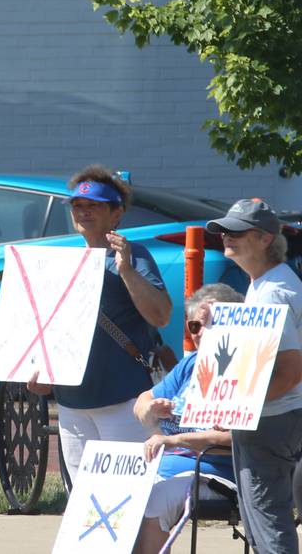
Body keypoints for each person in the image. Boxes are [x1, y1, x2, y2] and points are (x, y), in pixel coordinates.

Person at [28, 165, 172, 478]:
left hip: (124, 401)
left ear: (116, 214)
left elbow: (161, 315)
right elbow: (51, 331)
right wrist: (43, 372)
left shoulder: (135, 257)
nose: (83, 212)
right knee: (84, 501)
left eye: (93, 205)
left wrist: (127, 271)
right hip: (72, 403)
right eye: (77, 206)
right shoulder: (62, 262)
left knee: (127, 496)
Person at [206, 198, 302, 554]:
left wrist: (239, 405)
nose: (226, 237)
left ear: (264, 239)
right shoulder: (266, 282)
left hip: (273, 419)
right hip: (269, 417)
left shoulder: (274, 291)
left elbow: (291, 370)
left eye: (236, 231)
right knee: (261, 517)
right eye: (223, 231)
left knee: (267, 517)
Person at [133, 283, 242, 554]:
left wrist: (173, 439)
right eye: (195, 327)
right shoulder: (192, 363)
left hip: (214, 472)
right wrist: (150, 410)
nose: (202, 333)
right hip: (168, 467)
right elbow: (142, 401)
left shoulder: (246, 369)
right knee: (110, 493)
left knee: (152, 500)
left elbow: (234, 439)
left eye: (212, 325)